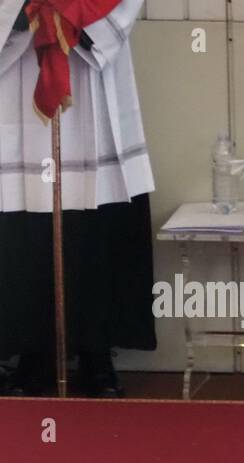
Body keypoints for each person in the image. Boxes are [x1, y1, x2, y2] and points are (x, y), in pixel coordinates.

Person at [0, 0, 154, 397]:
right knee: (23, 212)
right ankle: (31, 351)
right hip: (19, 61)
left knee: (96, 210)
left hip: (90, 66)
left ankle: (96, 352)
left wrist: (73, 12)